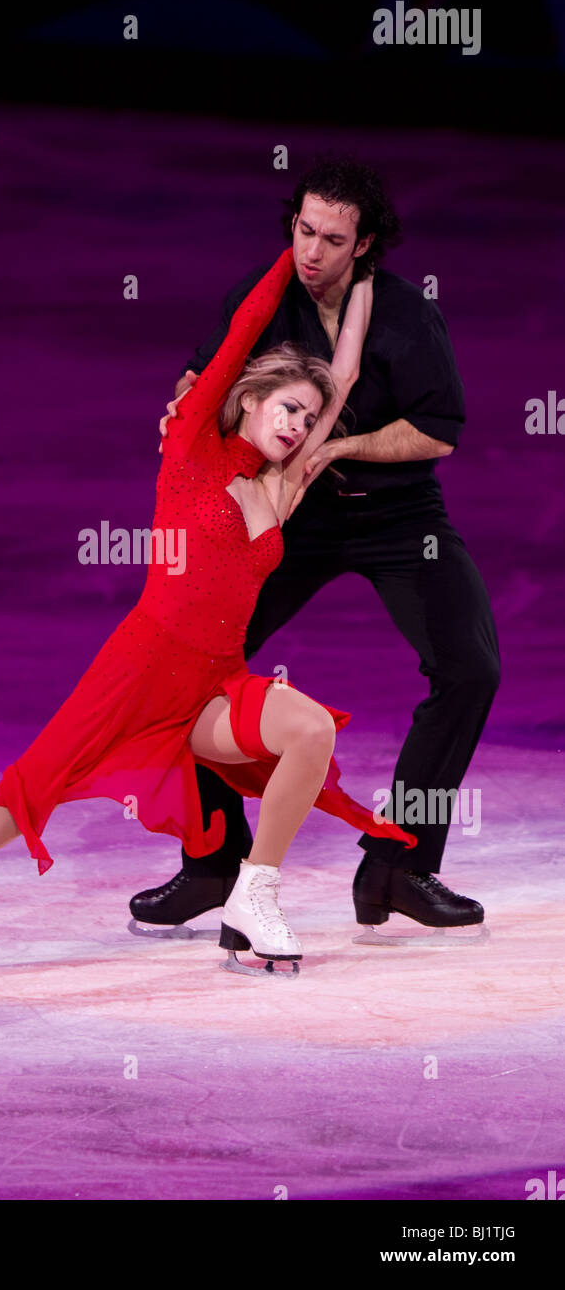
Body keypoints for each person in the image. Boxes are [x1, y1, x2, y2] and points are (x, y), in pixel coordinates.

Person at [0, 250, 415, 981]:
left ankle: (254, 896)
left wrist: (363, 266)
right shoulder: (191, 448)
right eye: (289, 407)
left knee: (310, 730)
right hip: (133, 679)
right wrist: (299, 250)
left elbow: (342, 376)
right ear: (251, 398)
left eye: (310, 419)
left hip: (211, 690)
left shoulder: (285, 487)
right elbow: (244, 330)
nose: (299, 426)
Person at [130, 155, 499, 940]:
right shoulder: (264, 303)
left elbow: (438, 430)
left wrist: (337, 447)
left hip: (400, 518)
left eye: (334, 238)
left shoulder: (405, 315)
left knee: (471, 668)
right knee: (190, 664)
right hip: (285, 521)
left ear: (364, 244)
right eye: (304, 230)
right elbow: (206, 377)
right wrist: (182, 409)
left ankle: (397, 865)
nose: (313, 252)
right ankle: (213, 863)